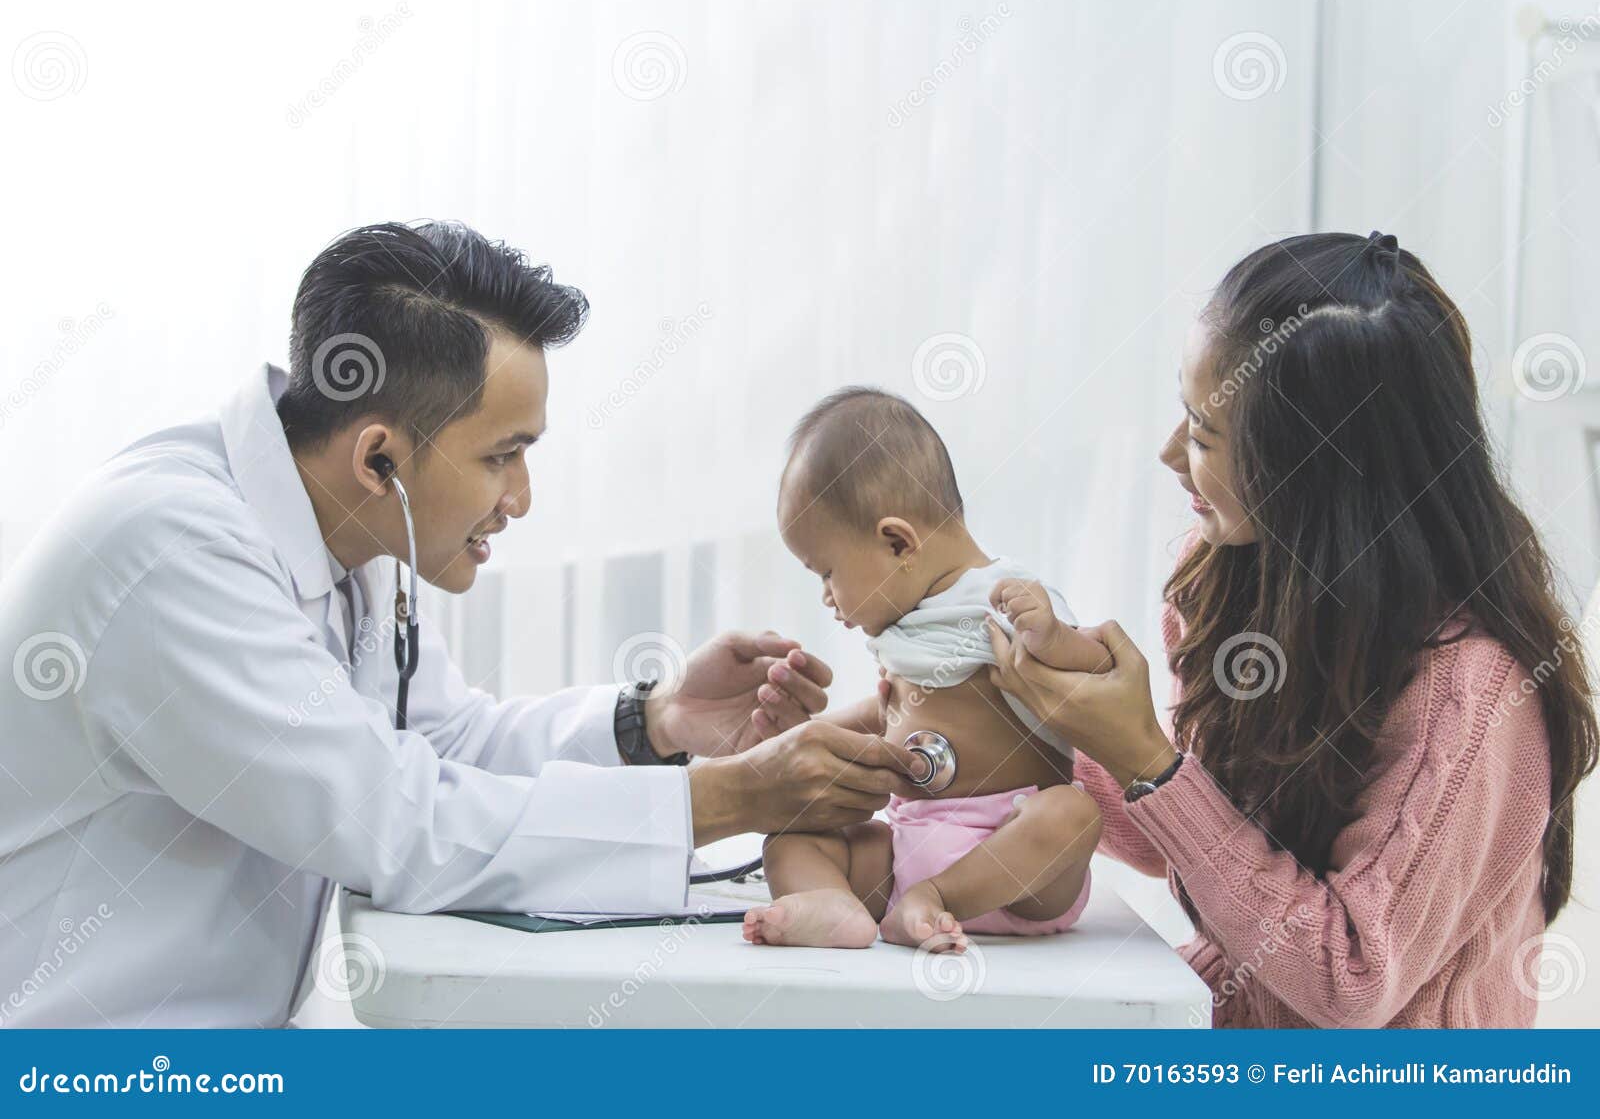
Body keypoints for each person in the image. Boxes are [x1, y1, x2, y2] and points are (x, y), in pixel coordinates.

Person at [0, 221, 918, 1027]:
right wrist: (733, 796)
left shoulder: (331, 535)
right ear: (379, 456)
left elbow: (449, 741)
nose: (521, 498)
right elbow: (395, 821)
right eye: (503, 455)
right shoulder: (171, 555)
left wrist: (657, 720)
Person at [987, 232, 1599, 1027]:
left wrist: (1147, 758)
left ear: (1321, 475)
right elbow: (1206, 847)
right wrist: (1016, 728)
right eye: (1184, 411)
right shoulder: (1232, 580)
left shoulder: (1473, 697)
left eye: (1206, 435)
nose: (1172, 453)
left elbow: (1350, 976)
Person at [746, 388, 1109, 951]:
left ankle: (936, 899)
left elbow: (1097, 683)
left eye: (826, 573)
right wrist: (796, 743)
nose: (825, 597)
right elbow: (887, 718)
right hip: (906, 852)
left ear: (897, 542)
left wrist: (1057, 639)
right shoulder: (907, 627)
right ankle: (833, 905)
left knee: (1073, 813)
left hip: (1014, 864)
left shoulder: (1007, 598)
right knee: (791, 834)